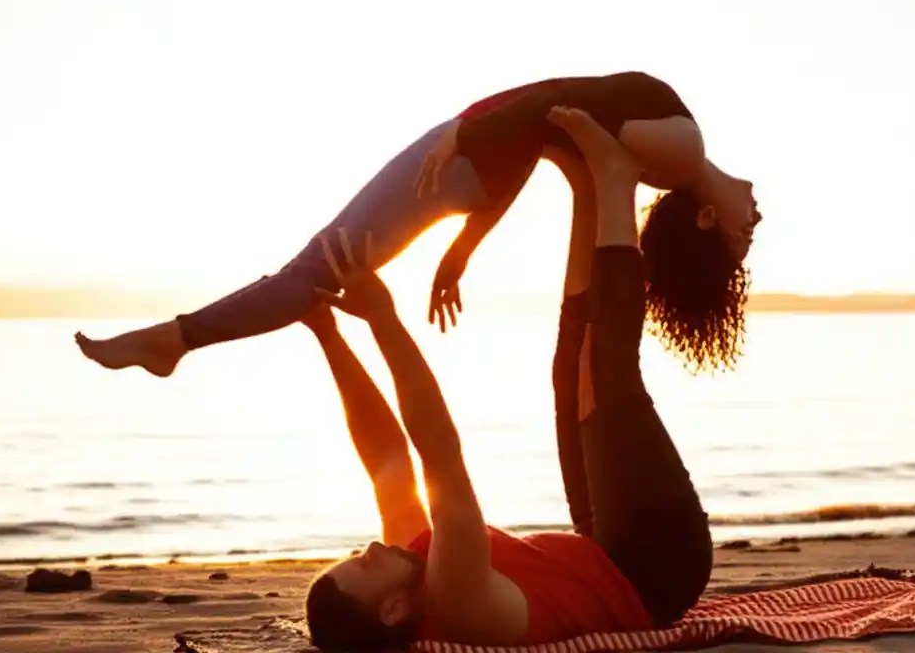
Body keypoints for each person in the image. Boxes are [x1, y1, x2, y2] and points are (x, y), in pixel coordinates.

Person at [298, 105, 715, 649]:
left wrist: (325, 334)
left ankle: (588, 188)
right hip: (655, 565)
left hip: (600, 546)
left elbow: (386, 457)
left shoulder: (414, 570)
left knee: (571, 368)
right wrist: (382, 319)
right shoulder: (458, 599)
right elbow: (439, 452)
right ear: (393, 611)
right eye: (364, 566)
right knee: (608, 376)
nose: (371, 548)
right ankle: (615, 183)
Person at [75, 72, 761, 376]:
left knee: (318, 270)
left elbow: (548, 117)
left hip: (463, 158)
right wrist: (463, 240)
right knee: (318, 269)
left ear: (705, 218)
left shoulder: (678, 154)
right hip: (467, 158)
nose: (755, 218)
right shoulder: (674, 146)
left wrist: (464, 141)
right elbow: (549, 129)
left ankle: (176, 341)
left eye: (741, 234)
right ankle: (178, 340)